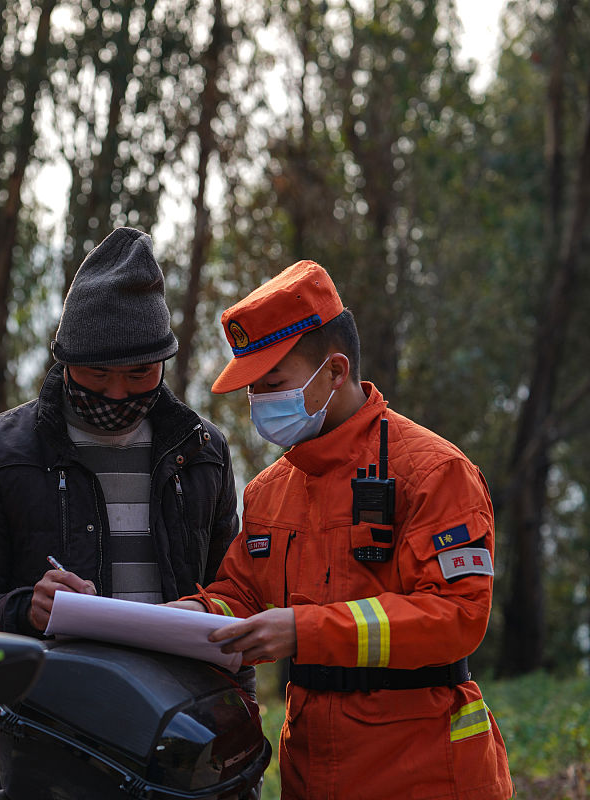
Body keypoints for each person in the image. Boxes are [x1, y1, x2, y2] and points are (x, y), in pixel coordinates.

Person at [170, 260, 512, 799]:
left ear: (334, 371)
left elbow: (457, 615)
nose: (260, 405)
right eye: (253, 390)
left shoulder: (433, 472)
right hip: (312, 767)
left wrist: (306, 630)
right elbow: (244, 594)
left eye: (273, 384)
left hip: (425, 769)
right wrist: (199, 615)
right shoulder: (269, 490)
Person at [0, 227, 242, 791]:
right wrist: (29, 609)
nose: (118, 394)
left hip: (186, 749)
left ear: (164, 362)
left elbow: (237, 594)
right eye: (98, 375)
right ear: (66, 359)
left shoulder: (202, 452)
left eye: (139, 374)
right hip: (46, 752)